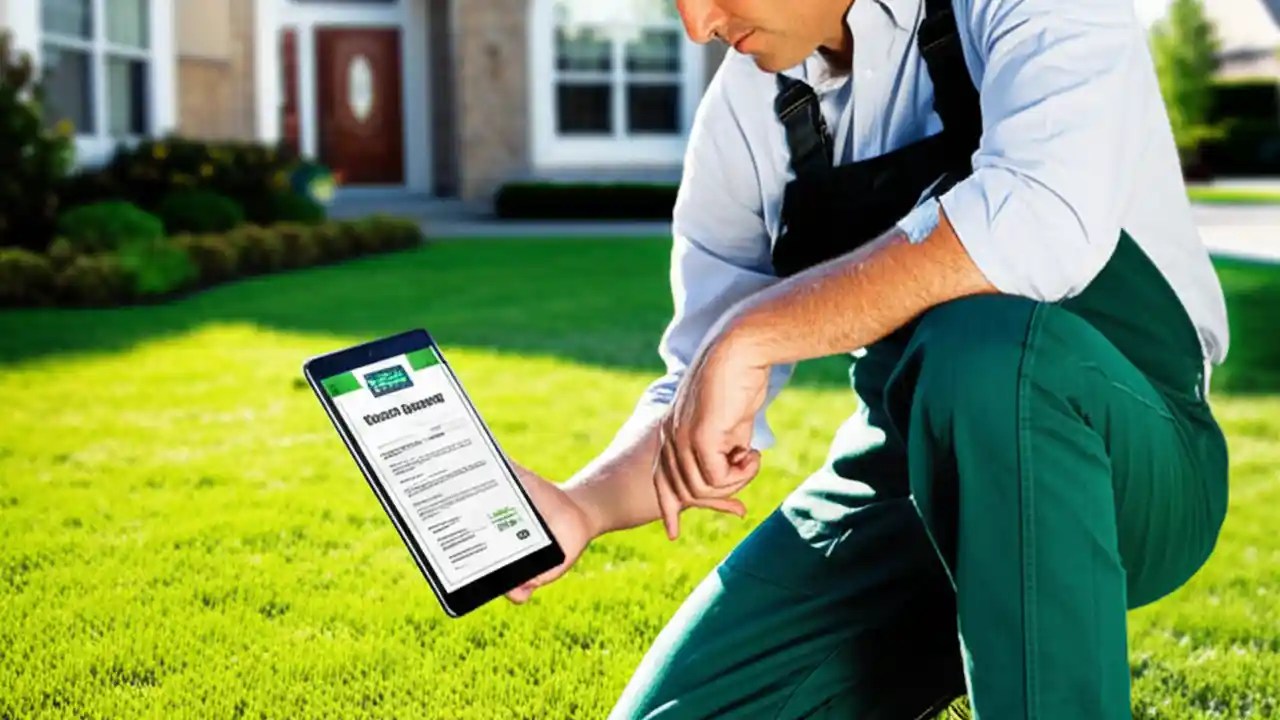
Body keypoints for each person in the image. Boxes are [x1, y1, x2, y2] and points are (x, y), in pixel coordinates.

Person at [505, 0, 1232, 716]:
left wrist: (755, 332)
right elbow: (698, 381)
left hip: (1132, 457)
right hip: (906, 470)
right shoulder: (746, 110)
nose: (698, 26)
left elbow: (1039, 220)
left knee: (985, 355)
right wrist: (581, 505)